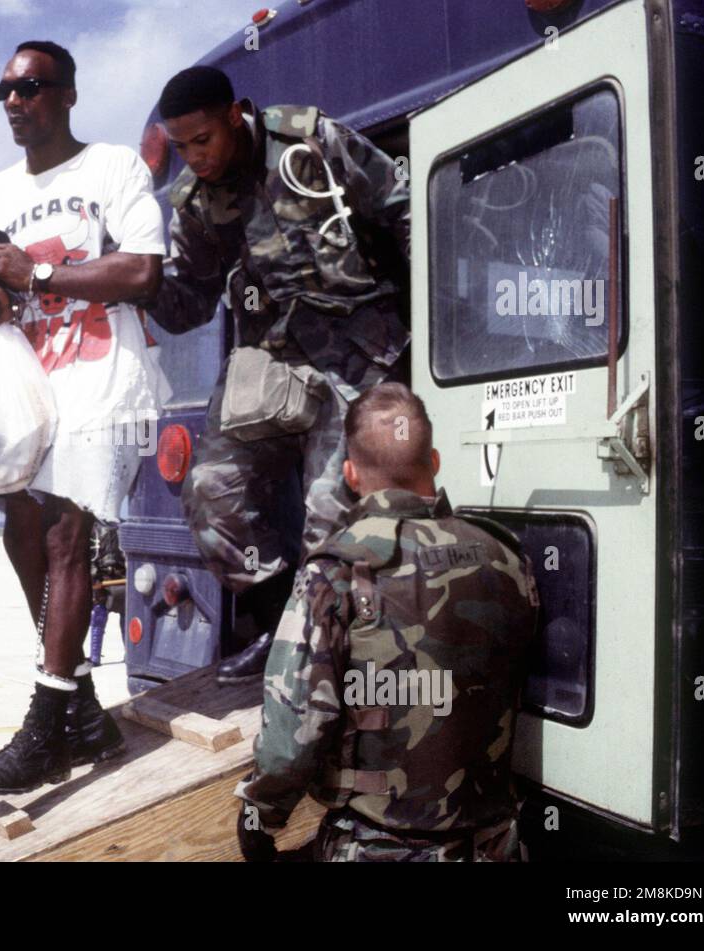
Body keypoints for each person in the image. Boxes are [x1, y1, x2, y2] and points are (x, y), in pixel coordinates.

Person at [148, 65, 411, 685]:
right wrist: (138, 281)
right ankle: (276, 625)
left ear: (236, 114)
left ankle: (324, 657)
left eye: (203, 140)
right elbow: (189, 304)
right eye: (181, 147)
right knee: (209, 492)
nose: (194, 158)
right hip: (274, 364)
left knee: (331, 513)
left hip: (359, 354)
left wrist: (428, 326)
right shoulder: (197, 202)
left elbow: (402, 209)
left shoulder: (311, 144)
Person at [0, 41, 168, 795]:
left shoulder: (112, 168)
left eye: (32, 87)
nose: (15, 102)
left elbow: (144, 271)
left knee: (64, 533)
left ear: (68, 94)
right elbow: (4, 304)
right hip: (35, 381)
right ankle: (79, 702)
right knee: (19, 519)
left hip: (105, 377)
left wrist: (39, 271)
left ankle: (45, 730)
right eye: (4, 91)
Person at [234, 383, 540, 862]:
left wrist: (259, 816)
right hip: (494, 842)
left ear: (351, 475)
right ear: (434, 462)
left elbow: (293, 735)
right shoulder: (506, 554)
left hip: (378, 846)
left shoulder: (332, 573)